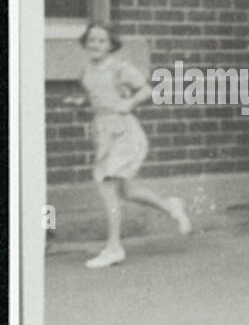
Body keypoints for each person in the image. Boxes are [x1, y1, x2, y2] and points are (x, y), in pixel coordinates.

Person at [66, 22, 191, 268]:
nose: (96, 45)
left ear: (111, 45)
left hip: (123, 132)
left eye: (101, 41)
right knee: (128, 191)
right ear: (85, 43)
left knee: (107, 187)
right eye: (91, 40)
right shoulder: (86, 70)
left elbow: (146, 90)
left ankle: (114, 247)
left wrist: (130, 104)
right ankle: (171, 206)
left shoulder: (119, 68)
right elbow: (99, 96)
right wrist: (81, 102)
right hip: (103, 132)